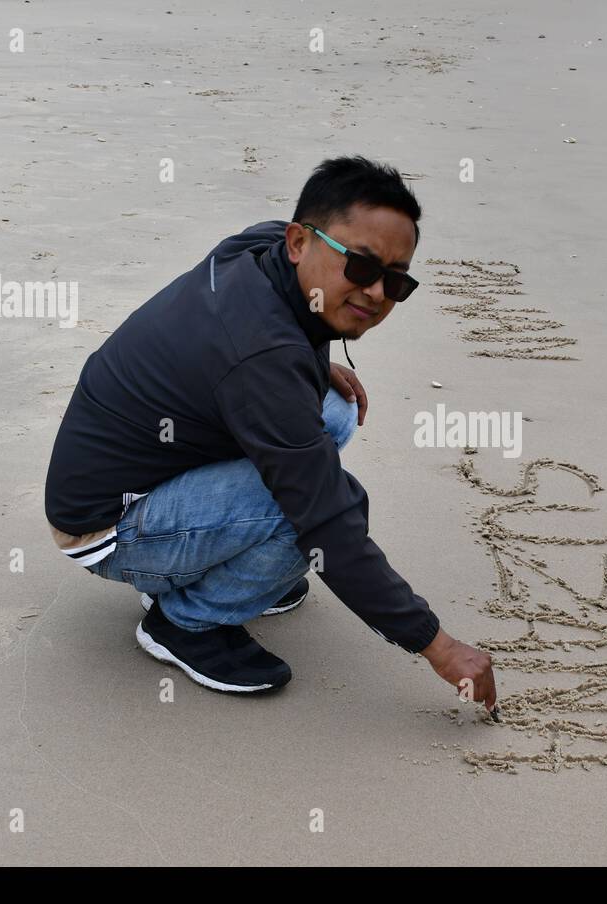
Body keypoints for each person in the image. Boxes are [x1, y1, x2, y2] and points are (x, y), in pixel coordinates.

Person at [43, 155, 497, 710]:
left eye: (396, 280)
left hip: (148, 463)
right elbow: (330, 520)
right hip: (106, 527)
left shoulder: (259, 251)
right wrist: (438, 646)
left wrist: (311, 362)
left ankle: (223, 566)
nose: (376, 292)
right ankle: (185, 622)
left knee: (327, 409)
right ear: (299, 242)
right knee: (318, 507)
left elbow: (262, 344)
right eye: (360, 266)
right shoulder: (261, 357)